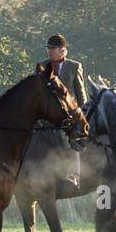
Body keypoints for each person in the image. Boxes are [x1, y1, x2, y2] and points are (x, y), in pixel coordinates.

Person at [39, 33, 87, 186]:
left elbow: (80, 94)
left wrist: (82, 114)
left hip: (68, 114)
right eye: (48, 48)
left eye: (52, 48)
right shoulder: (41, 65)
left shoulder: (74, 66)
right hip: (46, 113)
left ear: (63, 50)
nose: (49, 51)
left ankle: (74, 174)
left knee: (71, 138)